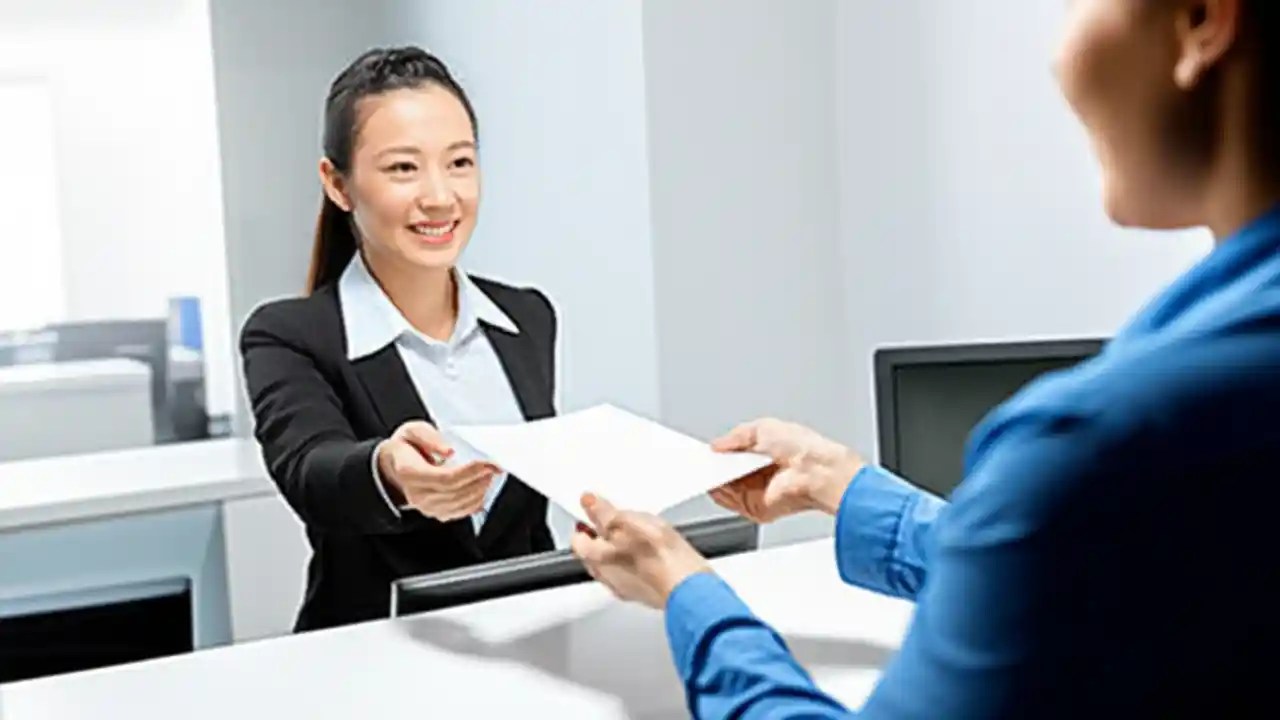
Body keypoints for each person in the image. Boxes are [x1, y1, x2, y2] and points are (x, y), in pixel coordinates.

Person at [571, 0, 1280, 717]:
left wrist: (684, 590)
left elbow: (1088, 531)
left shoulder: (1104, 443)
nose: (1060, 61)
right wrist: (844, 487)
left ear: (1202, 19)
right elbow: (1105, 570)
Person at [240, 47, 559, 632]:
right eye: (403, 168)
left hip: (526, 653)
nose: (440, 196)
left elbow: (521, 527)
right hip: (370, 660)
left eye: (459, 162)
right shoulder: (288, 335)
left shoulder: (527, 317)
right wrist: (388, 469)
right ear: (337, 185)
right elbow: (312, 471)